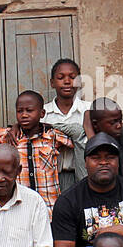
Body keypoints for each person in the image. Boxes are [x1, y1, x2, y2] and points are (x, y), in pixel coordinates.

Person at [0, 89, 72, 210]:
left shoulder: (52, 136)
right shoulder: (10, 136)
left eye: (29, 111)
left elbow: (77, 138)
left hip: (50, 207)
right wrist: (14, 127)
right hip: (20, 208)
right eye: (20, 111)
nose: (24, 115)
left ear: (42, 113)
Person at [42, 58, 90, 193]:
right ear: (52, 83)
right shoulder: (43, 113)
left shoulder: (89, 110)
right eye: (60, 77)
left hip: (82, 175)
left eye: (72, 77)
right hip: (50, 178)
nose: (67, 81)